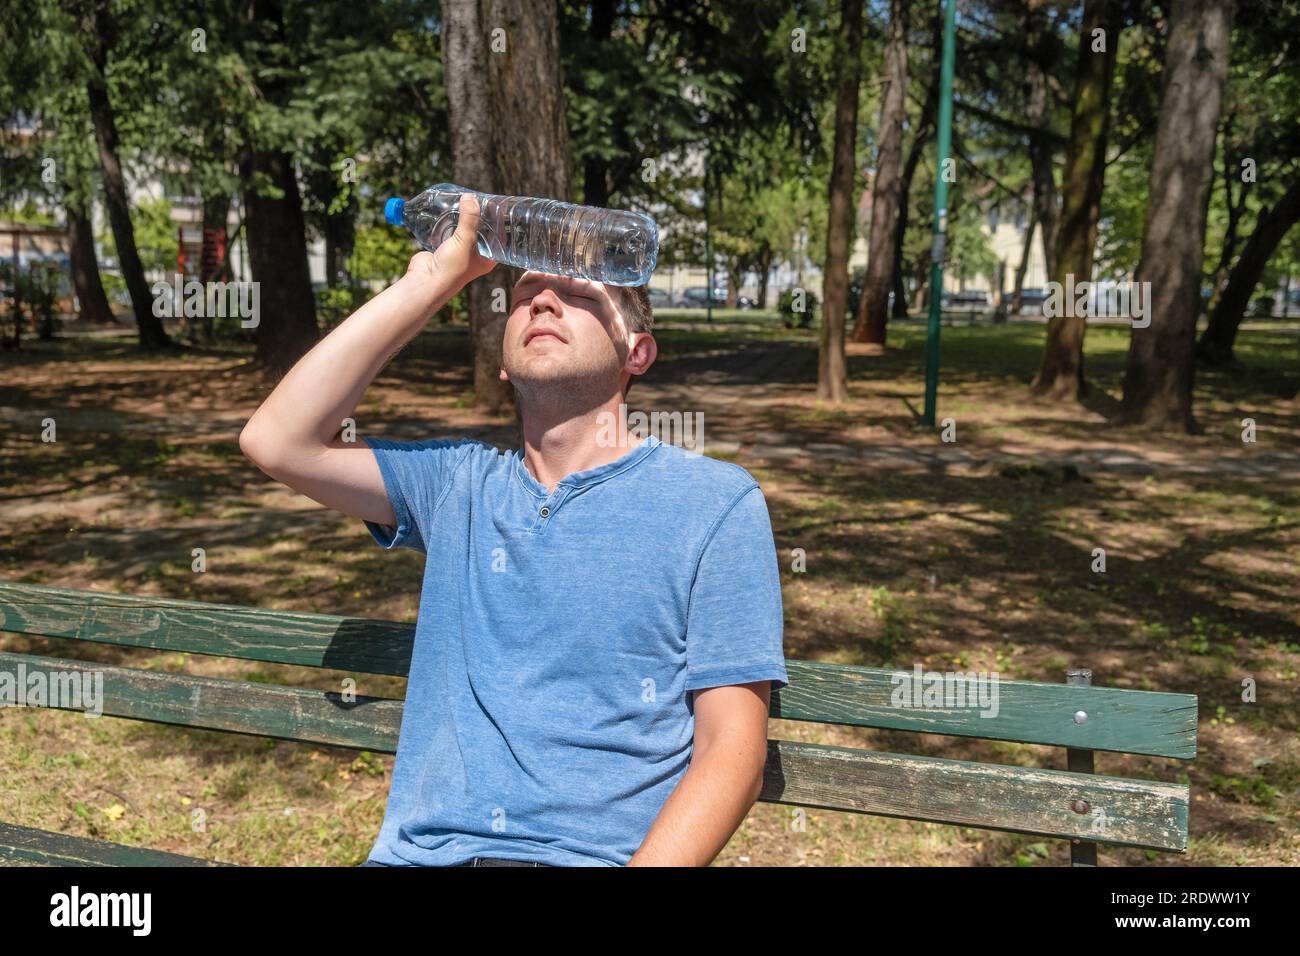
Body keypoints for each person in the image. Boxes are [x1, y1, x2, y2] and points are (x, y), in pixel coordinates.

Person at [239, 194, 789, 867]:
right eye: (527, 289)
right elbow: (276, 440)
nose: (545, 301)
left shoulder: (715, 503)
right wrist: (431, 282)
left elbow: (732, 752)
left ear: (637, 352)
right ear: (503, 363)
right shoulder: (457, 487)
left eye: (580, 292)